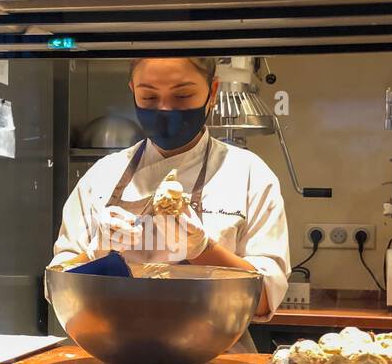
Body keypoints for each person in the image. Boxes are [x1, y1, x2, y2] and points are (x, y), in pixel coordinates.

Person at [50, 56, 290, 318]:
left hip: (217, 349)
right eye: (149, 98)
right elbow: (58, 292)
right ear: (133, 91)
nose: (165, 110)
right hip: (108, 348)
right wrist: (94, 253)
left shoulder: (249, 175)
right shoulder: (101, 177)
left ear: (212, 92)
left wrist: (203, 250)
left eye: (183, 96)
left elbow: (265, 299)